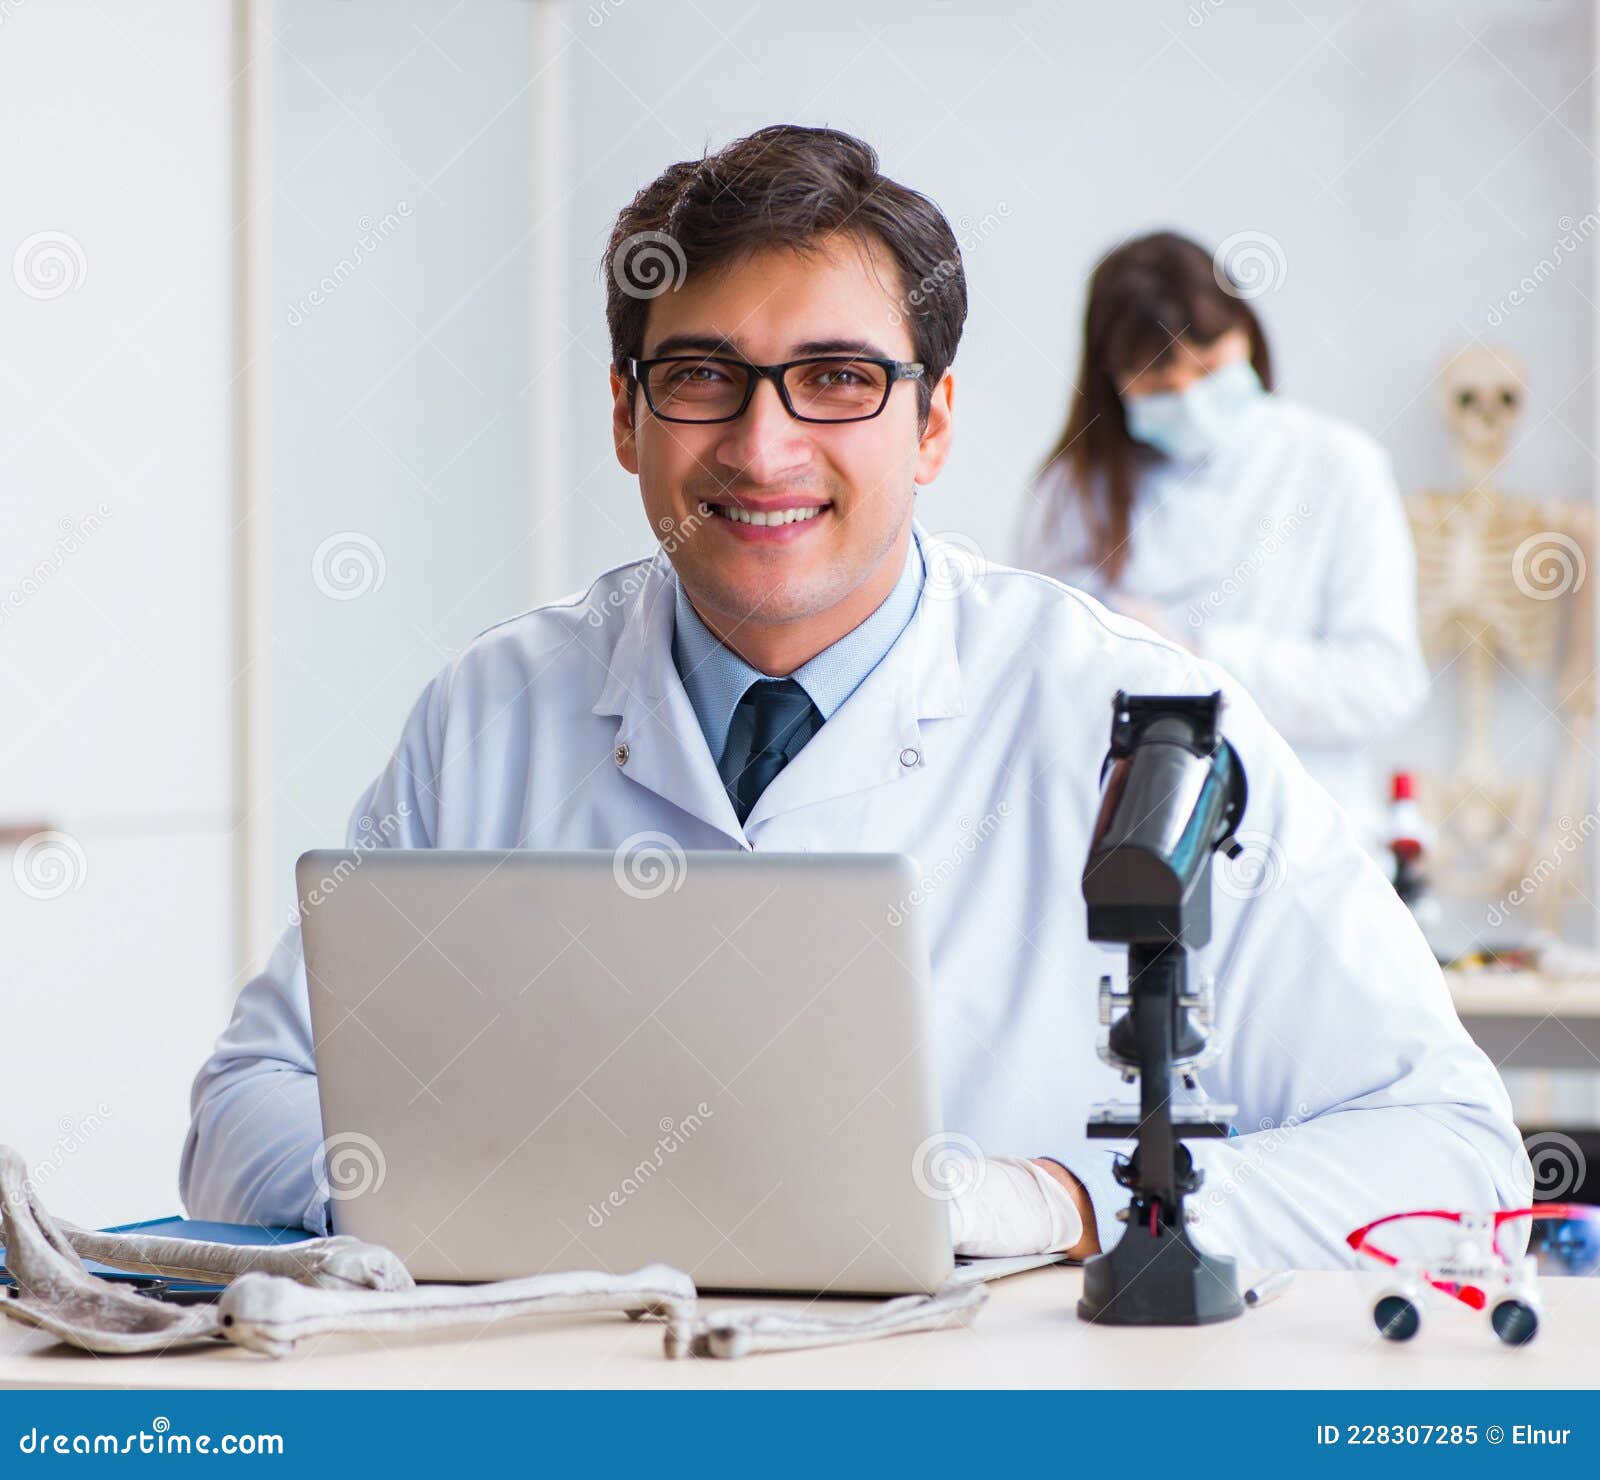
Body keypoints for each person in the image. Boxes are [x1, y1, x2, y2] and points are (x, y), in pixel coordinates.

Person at [181, 127, 1527, 1271]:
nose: (763, 449)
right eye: (700, 377)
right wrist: (492, 1198)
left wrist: (1068, 1205)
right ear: (623, 415)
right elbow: (248, 1107)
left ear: (933, 422)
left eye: (838, 380)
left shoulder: (1146, 714)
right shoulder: (491, 712)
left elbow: (1459, 1157)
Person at [1013, 231, 1427, 849]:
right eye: (1156, 377)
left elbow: (1383, 683)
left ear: (1247, 334)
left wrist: (1192, 654)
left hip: (1306, 835)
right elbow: (1033, 677)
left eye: (1206, 365)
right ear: (1112, 377)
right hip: (1126, 835)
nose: (1188, 395)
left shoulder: (1337, 466)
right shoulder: (1074, 490)